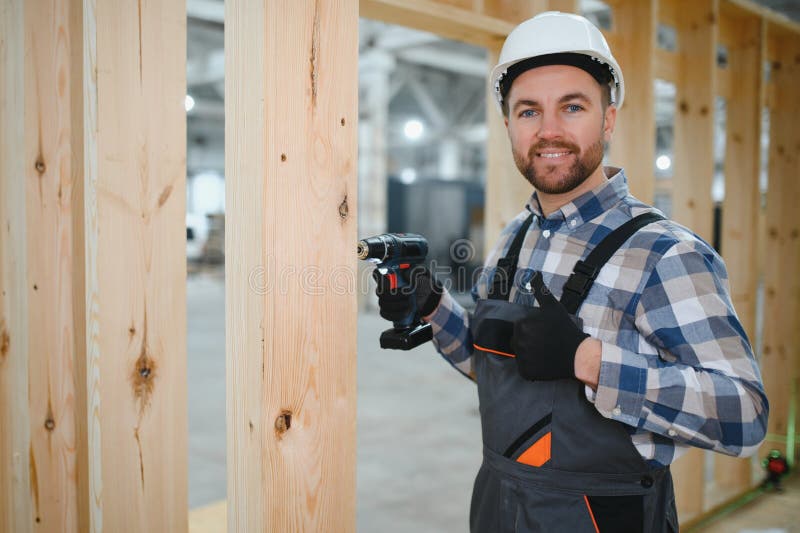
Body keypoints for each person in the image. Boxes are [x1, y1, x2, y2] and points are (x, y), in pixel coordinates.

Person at [374, 11, 768, 533]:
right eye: (529, 111)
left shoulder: (663, 254)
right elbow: (491, 370)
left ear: (608, 119)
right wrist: (430, 304)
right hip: (497, 503)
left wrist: (590, 360)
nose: (549, 130)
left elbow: (744, 416)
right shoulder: (517, 236)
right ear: (509, 124)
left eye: (573, 107)